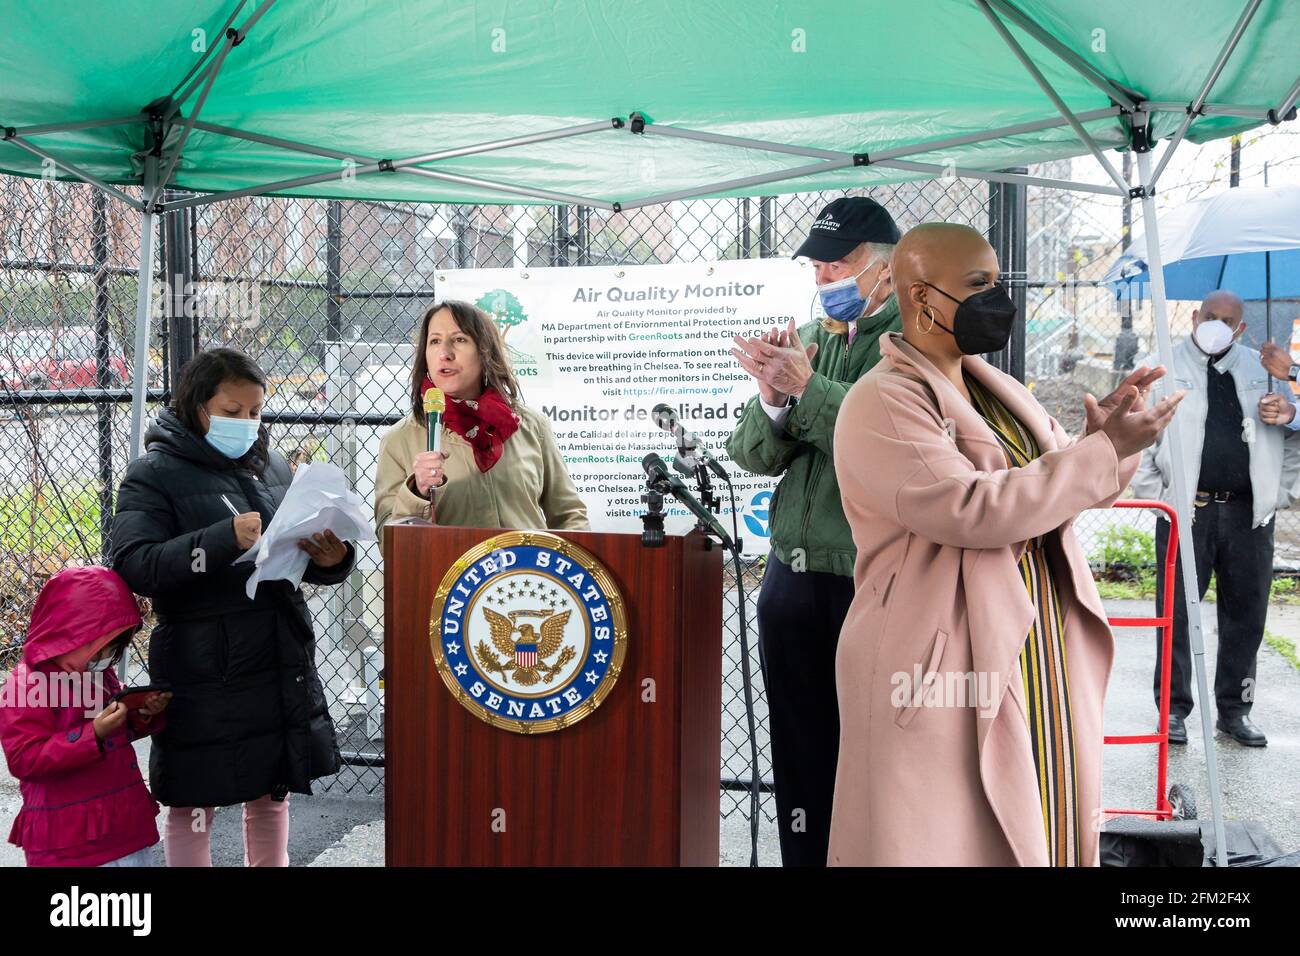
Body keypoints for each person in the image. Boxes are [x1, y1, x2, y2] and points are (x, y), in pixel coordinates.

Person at [828, 222, 1182, 866]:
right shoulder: (880, 401)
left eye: (997, 282)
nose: (998, 298)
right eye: (978, 285)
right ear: (923, 298)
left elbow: (1059, 493)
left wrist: (1100, 445)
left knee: (1042, 813)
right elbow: (970, 509)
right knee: (940, 835)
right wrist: (1097, 455)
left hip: (1035, 645)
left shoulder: (995, 387)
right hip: (939, 656)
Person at [110, 347, 356, 867]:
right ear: (197, 406)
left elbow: (294, 552)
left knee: (271, 791)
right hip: (202, 665)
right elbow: (135, 563)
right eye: (232, 411)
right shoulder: (153, 474)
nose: (247, 423)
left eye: (254, 411)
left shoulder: (271, 466)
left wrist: (332, 559)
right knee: (195, 798)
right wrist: (222, 538)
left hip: (275, 654)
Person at [724, 197, 900, 867]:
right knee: (800, 755)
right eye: (818, 266)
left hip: (869, 585)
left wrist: (809, 389)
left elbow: (888, 446)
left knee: (876, 755)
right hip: (790, 581)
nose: (826, 279)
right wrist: (773, 397)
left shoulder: (914, 344)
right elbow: (752, 454)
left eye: (839, 264)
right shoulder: (810, 337)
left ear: (885, 269)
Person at [1132, 292, 1300, 747]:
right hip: (1188, 513)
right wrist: (1159, 500)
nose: (1218, 325)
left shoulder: (1265, 370)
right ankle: (1173, 710)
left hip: (1249, 516)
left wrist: (1276, 493)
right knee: (1177, 615)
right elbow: (1140, 440)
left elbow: (1290, 440)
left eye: (1228, 321)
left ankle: (1235, 709)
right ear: (1193, 317)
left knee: (1246, 615)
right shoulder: (1161, 367)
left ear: (1240, 329)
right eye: (1211, 317)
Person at [374, 300, 589, 542]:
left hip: (527, 575)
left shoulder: (531, 426)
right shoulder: (399, 439)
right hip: (450, 579)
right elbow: (388, 541)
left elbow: (569, 515)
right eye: (434, 341)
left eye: (459, 339)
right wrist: (416, 492)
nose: (445, 353)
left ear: (484, 350)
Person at [1, 566, 171, 867]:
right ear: (73, 635)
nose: (107, 659)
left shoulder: (95, 674)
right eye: (102, 649)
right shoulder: (27, 684)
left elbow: (116, 729)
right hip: (69, 843)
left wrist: (140, 713)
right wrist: (93, 734)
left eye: (115, 650)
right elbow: (25, 758)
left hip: (122, 827)